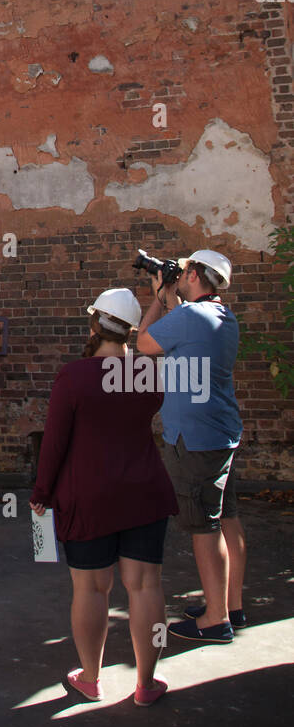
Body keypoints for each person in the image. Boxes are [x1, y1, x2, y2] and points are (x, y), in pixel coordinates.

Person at [30, 289, 178, 706]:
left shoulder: (73, 377)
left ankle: (90, 679)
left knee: (92, 588)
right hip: (144, 491)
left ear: (94, 326)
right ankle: (146, 683)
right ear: (129, 333)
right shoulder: (147, 375)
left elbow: (54, 444)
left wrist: (41, 493)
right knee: (146, 586)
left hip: (88, 495)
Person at [136, 249, 246, 644]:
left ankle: (215, 621)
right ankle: (230, 606)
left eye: (183, 271)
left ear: (196, 275)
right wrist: (170, 294)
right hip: (221, 432)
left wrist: (156, 296)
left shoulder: (188, 317)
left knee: (204, 527)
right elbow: (182, 329)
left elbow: (145, 343)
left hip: (194, 440)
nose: (179, 275)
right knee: (227, 519)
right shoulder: (222, 317)